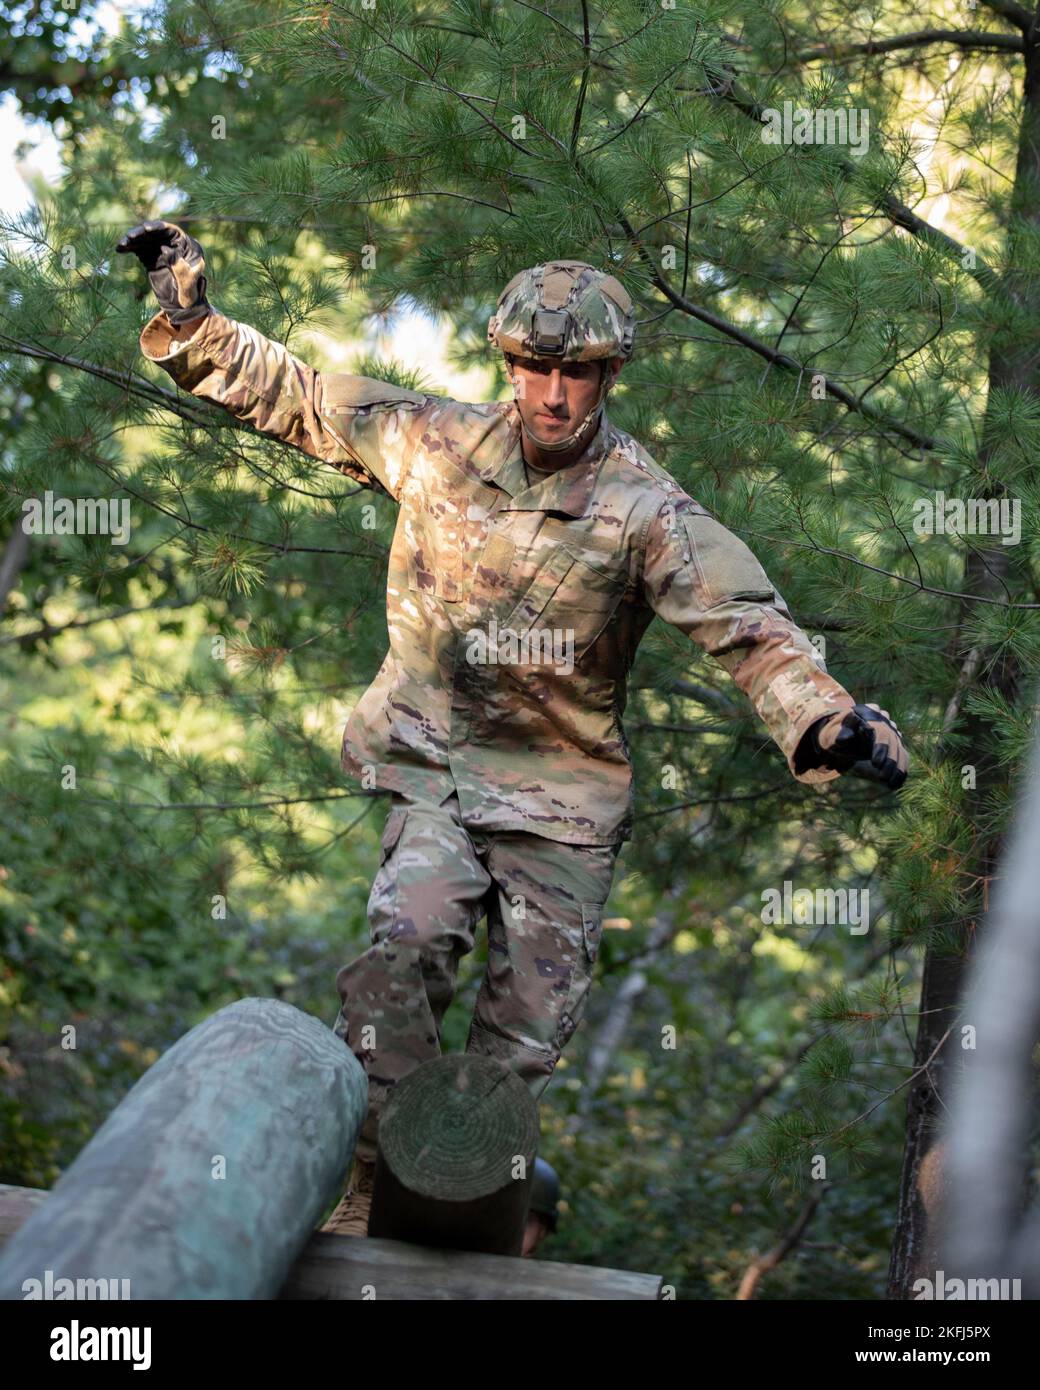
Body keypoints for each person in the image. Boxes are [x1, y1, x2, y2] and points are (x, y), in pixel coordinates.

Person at [117, 223, 909, 1237]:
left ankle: (463, 1218)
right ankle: (363, 1200)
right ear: (506, 362)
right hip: (439, 771)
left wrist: (827, 718)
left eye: (576, 371)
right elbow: (304, 397)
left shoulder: (644, 510)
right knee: (398, 959)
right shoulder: (433, 442)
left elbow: (744, 624)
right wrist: (193, 324)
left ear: (608, 373)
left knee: (514, 1054)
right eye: (533, 366)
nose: (551, 393)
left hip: (559, 807)